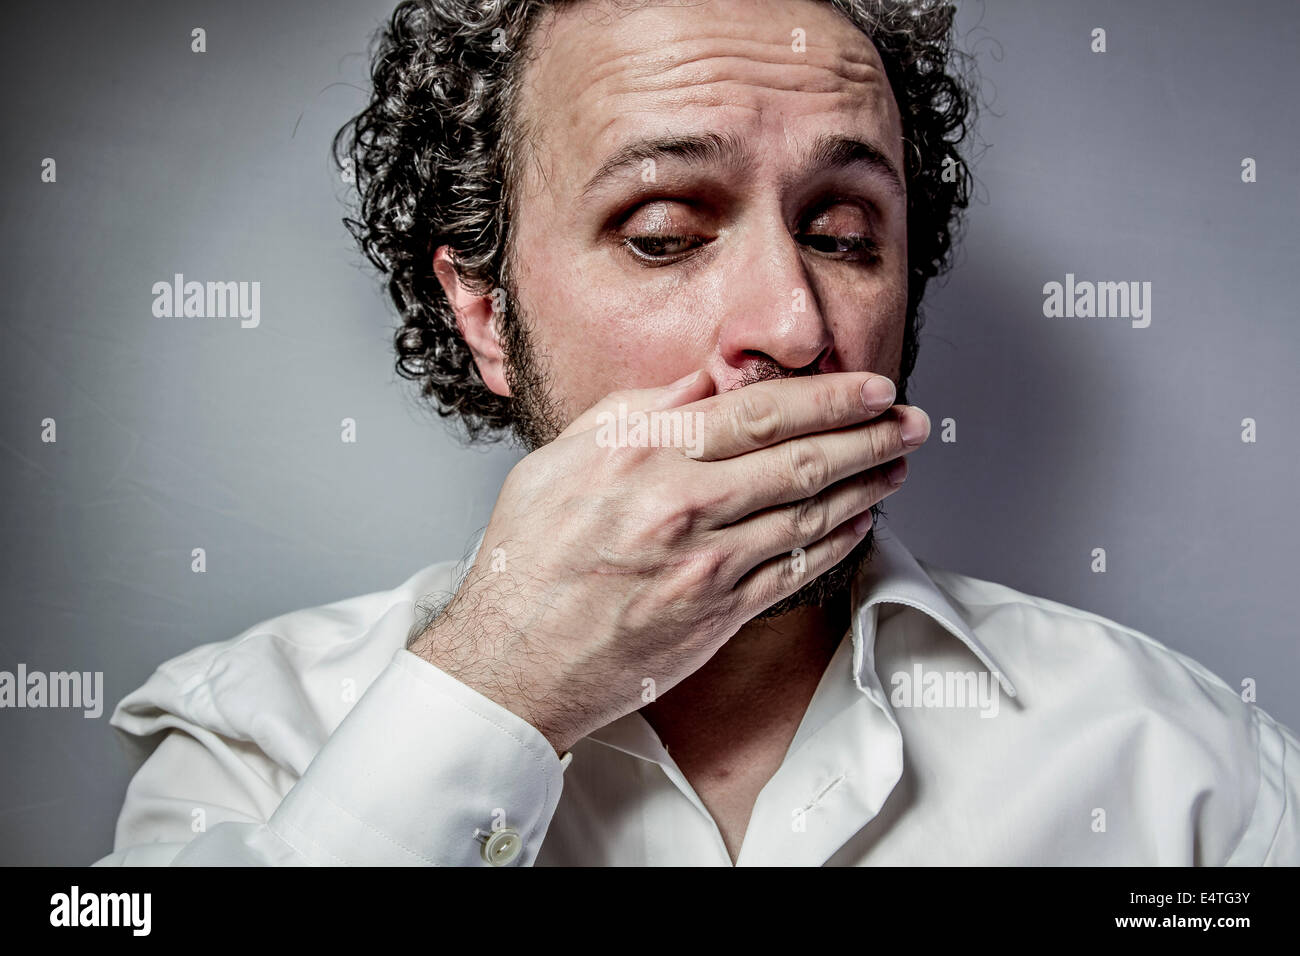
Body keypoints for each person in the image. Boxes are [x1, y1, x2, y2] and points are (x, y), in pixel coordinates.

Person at [95, 0, 1298, 866]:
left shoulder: (1189, 764)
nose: (789, 322)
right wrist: (499, 677)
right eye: (663, 231)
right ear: (484, 312)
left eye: (840, 231)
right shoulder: (253, 740)